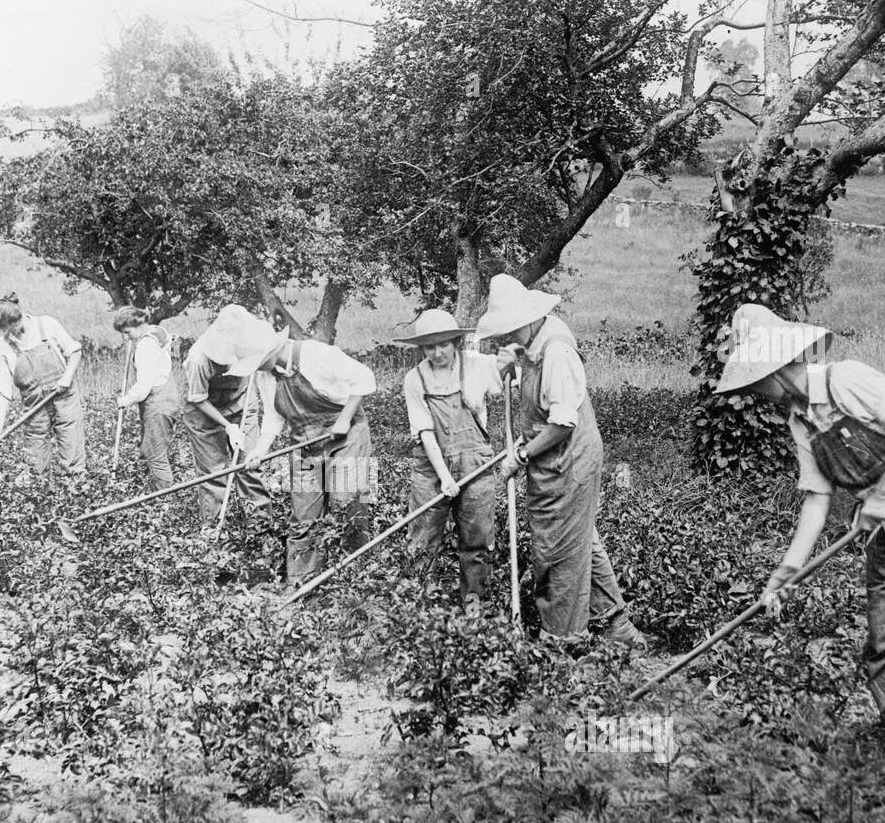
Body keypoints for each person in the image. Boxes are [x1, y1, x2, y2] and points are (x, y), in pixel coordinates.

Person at [720, 302, 885, 749]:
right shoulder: (800, 420)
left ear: (774, 369)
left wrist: (882, 491)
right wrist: (786, 573)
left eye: (753, 378)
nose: (753, 390)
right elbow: (816, 502)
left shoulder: (847, 379)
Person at [477, 274, 643, 644]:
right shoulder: (534, 344)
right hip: (552, 458)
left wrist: (520, 455)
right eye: (506, 330)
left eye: (514, 328)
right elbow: (540, 407)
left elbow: (563, 423)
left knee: (559, 549)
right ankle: (617, 625)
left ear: (531, 317)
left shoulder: (556, 352)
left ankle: (563, 638)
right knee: (583, 540)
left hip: (569, 459)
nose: (509, 335)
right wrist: (515, 365)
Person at [235, 311, 377, 586]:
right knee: (303, 514)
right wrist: (260, 451)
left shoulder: (317, 355)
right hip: (304, 443)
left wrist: (345, 419)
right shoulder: (266, 377)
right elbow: (275, 417)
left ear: (271, 351)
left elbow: (365, 378)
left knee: (348, 504)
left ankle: (356, 581)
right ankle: (302, 583)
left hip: (347, 438)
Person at [397, 309, 507, 615]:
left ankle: (475, 602)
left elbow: (518, 378)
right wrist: (445, 476)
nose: (437, 352)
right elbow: (426, 432)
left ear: (456, 341)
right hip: (431, 468)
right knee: (422, 537)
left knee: (476, 538)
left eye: (443, 344)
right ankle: (413, 607)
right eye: (429, 347)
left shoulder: (479, 366)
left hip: (476, 464)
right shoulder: (414, 379)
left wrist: (511, 363)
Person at [183, 305, 273, 523]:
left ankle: (259, 523)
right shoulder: (198, 358)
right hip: (205, 412)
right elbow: (198, 399)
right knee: (214, 471)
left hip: (243, 403)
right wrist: (227, 425)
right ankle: (212, 526)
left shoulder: (250, 343)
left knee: (250, 462)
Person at [0, 292, 86, 482]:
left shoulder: (47, 325)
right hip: (34, 407)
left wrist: (66, 377)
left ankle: (77, 496)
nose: (8, 333)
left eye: (9, 327)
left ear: (16, 319)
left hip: (64, 400)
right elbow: (4, 390)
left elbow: (75, 351)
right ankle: (40, 503)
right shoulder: (3, 346)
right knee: (35, 462)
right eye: (3, 330)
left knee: (72, 456)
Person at [113, 307, 183, 491]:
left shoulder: (145, 346)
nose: (127, 337)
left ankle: (163, 499)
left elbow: (143, 387)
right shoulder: (157, 332)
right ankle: (148, 490)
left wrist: (125, 401)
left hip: (157, 402)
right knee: (147, 448)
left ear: (138, 324)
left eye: (128, 332)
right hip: (167, 395)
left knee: (156, 454)